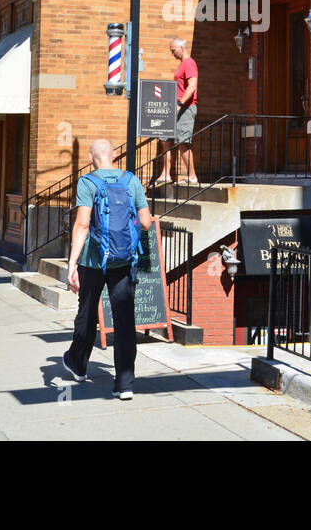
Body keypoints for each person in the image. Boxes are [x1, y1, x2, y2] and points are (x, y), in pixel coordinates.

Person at [63, 139, 152, 399]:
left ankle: (78, 365)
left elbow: (82, 224)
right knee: (124, 320)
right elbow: (146, 222)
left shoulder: (87, 182)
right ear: (114, 155)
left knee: (87, 313)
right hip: (124, 260)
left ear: (92, 158)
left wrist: (71, 263)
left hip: (92, 260)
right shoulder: (131, 180)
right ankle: (124, 383)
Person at [158, 38, 198, 185]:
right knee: (165, 139)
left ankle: (192, 176)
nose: (172, 54)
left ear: (182, 48)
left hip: (186, 108)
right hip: (177, 107)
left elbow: (192, 86)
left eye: (173, 50)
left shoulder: (189, 63)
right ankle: (165, 174)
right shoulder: (183, 64)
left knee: (183, 142)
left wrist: (180, 103)